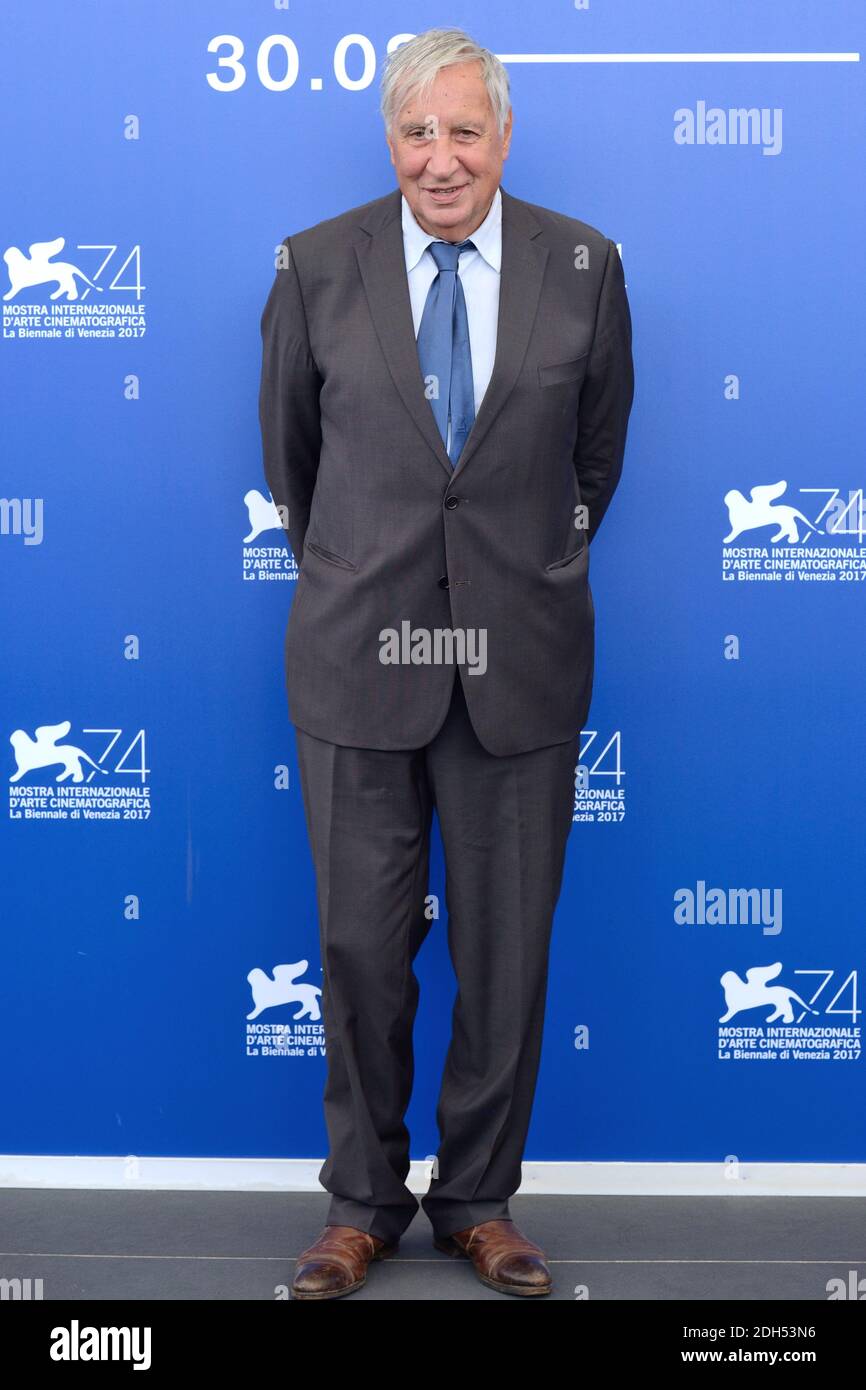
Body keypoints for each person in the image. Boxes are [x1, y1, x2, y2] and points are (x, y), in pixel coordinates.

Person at [258, 26, 634, 1299]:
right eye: (417, 133)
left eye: (463, 131)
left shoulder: (581, 267)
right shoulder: (316, 267)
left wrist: (507, 578)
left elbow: (591, 466)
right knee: (361, 952)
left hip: (517, 668)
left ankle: (478, 1200)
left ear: (503, 138)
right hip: (357, 664)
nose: (440, 158)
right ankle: (359, 1203)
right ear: (390, 142)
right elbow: (295, 473)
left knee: (508, 954)